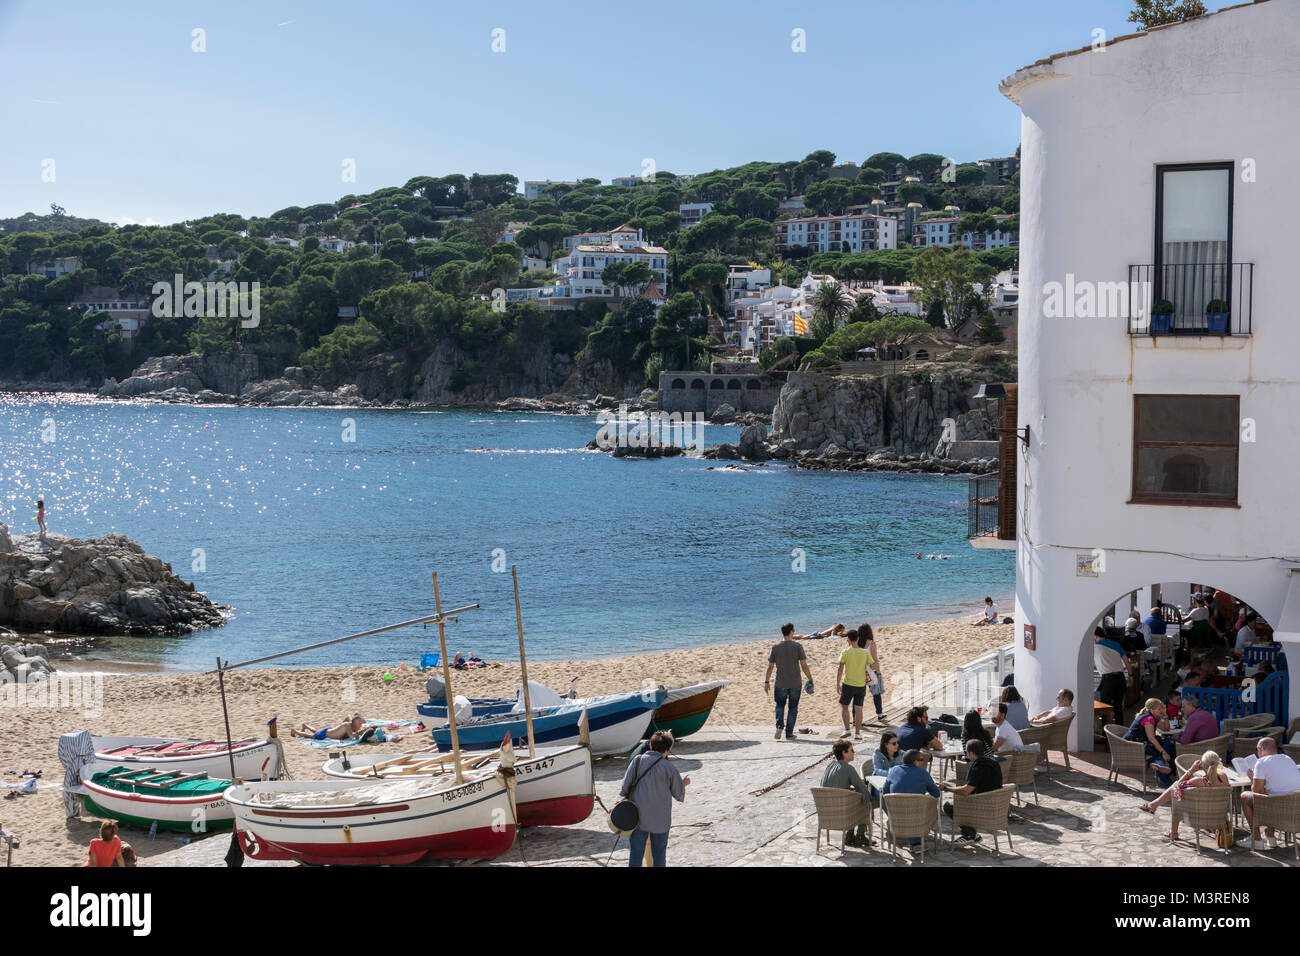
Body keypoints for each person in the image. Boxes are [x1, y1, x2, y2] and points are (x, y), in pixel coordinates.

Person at [620, 730, 689, 867]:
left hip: (637, 818)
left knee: (635, 855)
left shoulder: (637, 761)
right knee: (659, 855)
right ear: (668, 750)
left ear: (650, 745)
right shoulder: (669, 768)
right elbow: (679, 795)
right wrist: (684, 784)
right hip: (660, 820)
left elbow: (624, 789)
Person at [1138, 750, 1230, 839]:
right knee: (1177, 789)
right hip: (1218, 815)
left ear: (1203, 765)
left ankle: (1173, 832)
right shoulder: (1224, 777)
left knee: (1175, 793)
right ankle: (1154, 805)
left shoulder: (1198, 781)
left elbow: (1178, 787)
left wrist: (1191, 770)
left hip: (1199, 815)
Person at [1241, 736, 1300, 850]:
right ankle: (1270, 836)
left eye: (1257, 749)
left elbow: (1256, 792)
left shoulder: (1261, 762)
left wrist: (1253, 779)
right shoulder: (1287, 758)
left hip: (1278, 808)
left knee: (1245, 796)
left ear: (1261, 749)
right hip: (1296, 808)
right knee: (1270, 792)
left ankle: (1256, 839)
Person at [940, 738, 1003, 846]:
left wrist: (946, 788)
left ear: (971, 753)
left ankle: (970, 834)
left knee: (948, 806)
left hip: (981, 806)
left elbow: (966, 791)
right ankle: (972, 834)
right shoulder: (993, 762)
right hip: (997, 804)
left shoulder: (978, 767)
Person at [766, 623, 814, 741]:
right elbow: (804, 666)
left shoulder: (775, 647)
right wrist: (810, 678)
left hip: (780, 683)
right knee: (793, 708)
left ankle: (779, 726)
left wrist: (766, 681)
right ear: (791, 632)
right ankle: (789, 733)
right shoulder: (797, 646)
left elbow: (770, 667)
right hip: (795, 683)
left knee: (779, 705)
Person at [820, 739, 873, 846]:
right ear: (844, 753)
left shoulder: (830, 765)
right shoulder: (848, 768)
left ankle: (850, 835)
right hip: (842, 811)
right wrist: (870, 799)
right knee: (865, 800)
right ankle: (860, 835)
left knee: (853, 795)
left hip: (826, 811)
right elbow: (862, 788)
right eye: (851, 750)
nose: (854, 752)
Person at [882, 749, 941, 843]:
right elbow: (936, 793)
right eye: (921, 760)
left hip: (896, 813)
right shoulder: (923, 773)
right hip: (916, 815)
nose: (923, 763)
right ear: (915, 762)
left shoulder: (894, 770)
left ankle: (902, 830)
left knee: (883, 798)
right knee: (931, 803)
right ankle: (915, 840)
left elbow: (885, 792)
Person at [1123, 698, 1175, 786]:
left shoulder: (1153, 717)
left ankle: (1162, 765)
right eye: (1159, 709)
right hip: (1134, 746)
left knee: (1170, 741)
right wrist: (1163, 752)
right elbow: (1151, 738)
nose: (1161, 710)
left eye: (1162, 708)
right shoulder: (1149, 718)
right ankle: (1169, 781)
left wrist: (1165, 715)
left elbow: (1166, 728)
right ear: (1152, 710)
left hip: (1142, 743)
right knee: (1161, 755)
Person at [835, 628, 874, 740]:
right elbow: (872, 665)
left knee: (845, 707)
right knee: (859, 709)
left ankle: (847, 729)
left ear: (848, 639)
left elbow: (840, 669)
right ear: (858, 638)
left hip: (848, 684)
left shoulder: (846, 652)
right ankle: (857, 733)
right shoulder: (864, 653)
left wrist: (837, 684)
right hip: (861, 685)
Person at [1094, 625, 1128, 725]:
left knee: (1105, 707)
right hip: (1120, 678)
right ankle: (1120, 730)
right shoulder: (1116, 644)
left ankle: (1106, 732)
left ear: (1094, 636)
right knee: (1118, 707)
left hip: (1108, 680)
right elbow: (1126, 661)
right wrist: (1130, 675)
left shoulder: (1095, 647)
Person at [857, 622, 887, 725]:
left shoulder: (856, 644)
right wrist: (878, 672)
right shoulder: (871, 643)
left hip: (859, 671)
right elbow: (875, 660)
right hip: (870, 671)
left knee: (858, 695)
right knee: (876, 693)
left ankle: (855, 718)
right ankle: (879, 714)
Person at [292, 715, 366, 740]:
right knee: (310, 736)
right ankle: (295, 731)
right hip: (326, 734)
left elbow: (348, 717)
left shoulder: (352, 726)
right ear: (355, 723)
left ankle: (305, 726)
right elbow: (351, 736)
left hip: (329, 731)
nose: (360, 725)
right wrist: (360, 732)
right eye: (359, 724)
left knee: (317, 732)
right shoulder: (347, 725)